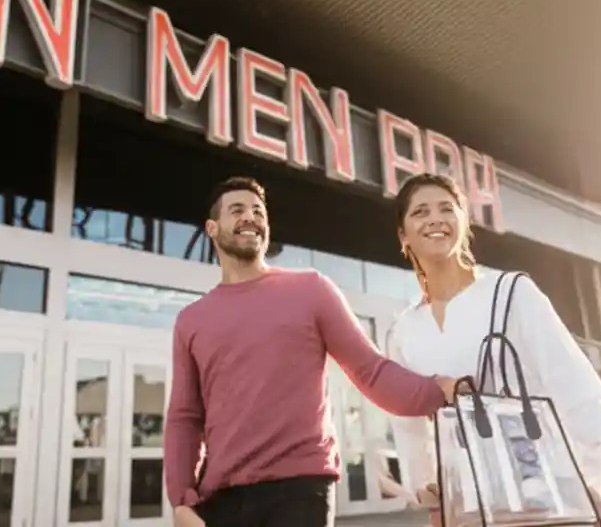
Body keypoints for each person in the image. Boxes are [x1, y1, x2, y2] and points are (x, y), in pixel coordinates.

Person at [166, 176, 461, 527]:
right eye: (237, 210)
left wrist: (436, 391)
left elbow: (369, 370)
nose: (251, 217)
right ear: (212, 228)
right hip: (221, 500)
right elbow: (185, 416)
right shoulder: (191, 320)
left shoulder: (310, 289)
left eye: (258, 211)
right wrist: (182, 499)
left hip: (300, 492)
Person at [384, 173, 601, 527]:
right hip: (467, 505)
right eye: (420, 212)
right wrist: (422, 484)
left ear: (464, 221)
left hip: (542, 490)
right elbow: (407, 419)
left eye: (447, 208)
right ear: (403, 235)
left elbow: (574, 386)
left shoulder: (512, 292)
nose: (435, 219)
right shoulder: (404, 329)